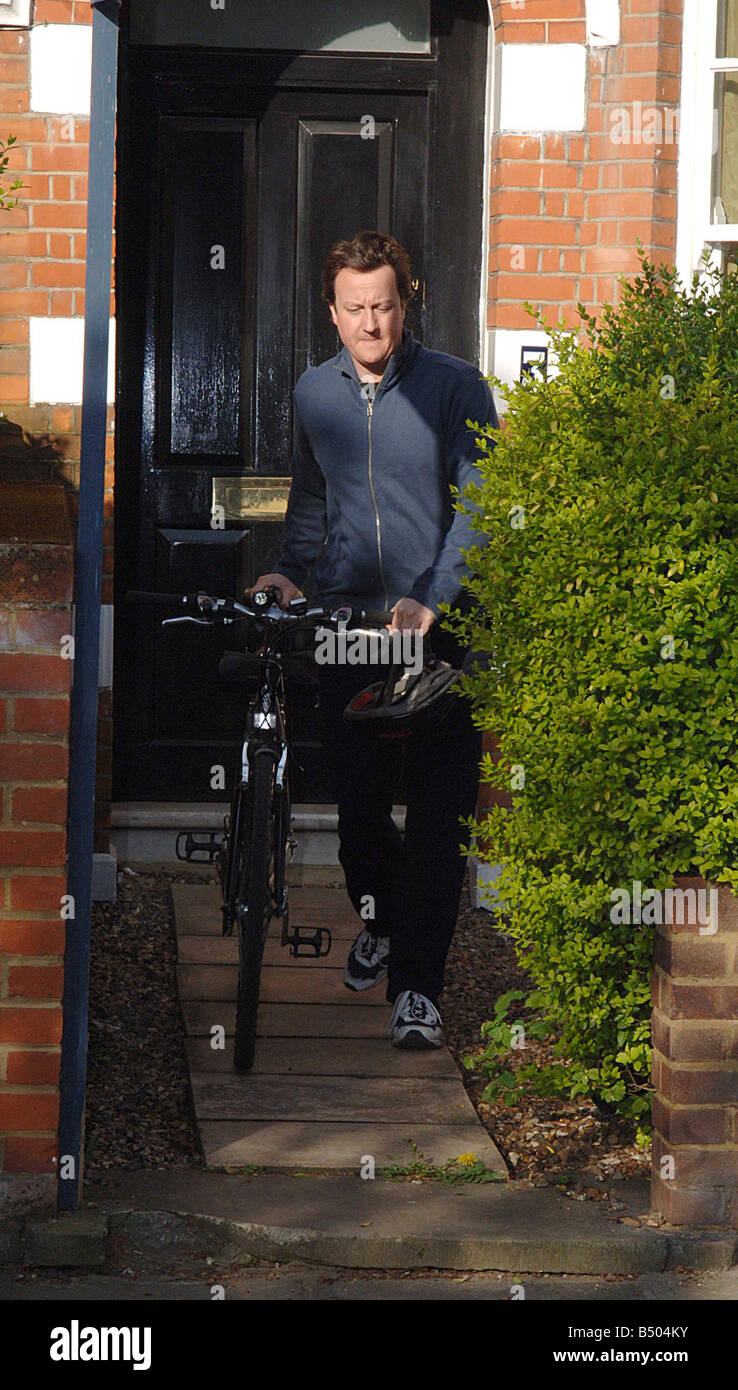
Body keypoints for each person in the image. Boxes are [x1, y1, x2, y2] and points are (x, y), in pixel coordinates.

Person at [249, 229, 498, 1049]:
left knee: (437, 817)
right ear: (332, 311)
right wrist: (290, 572)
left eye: (384, 307)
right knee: (358, 814)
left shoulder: (458, 388)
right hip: (348, 628)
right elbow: (312, 503)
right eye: (355, 309)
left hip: (440, 634)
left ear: (405, 302)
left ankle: (418, 990)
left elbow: (480, 506)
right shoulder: (314, 393)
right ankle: (382, 919)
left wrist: (432, 599)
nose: (371, 323)